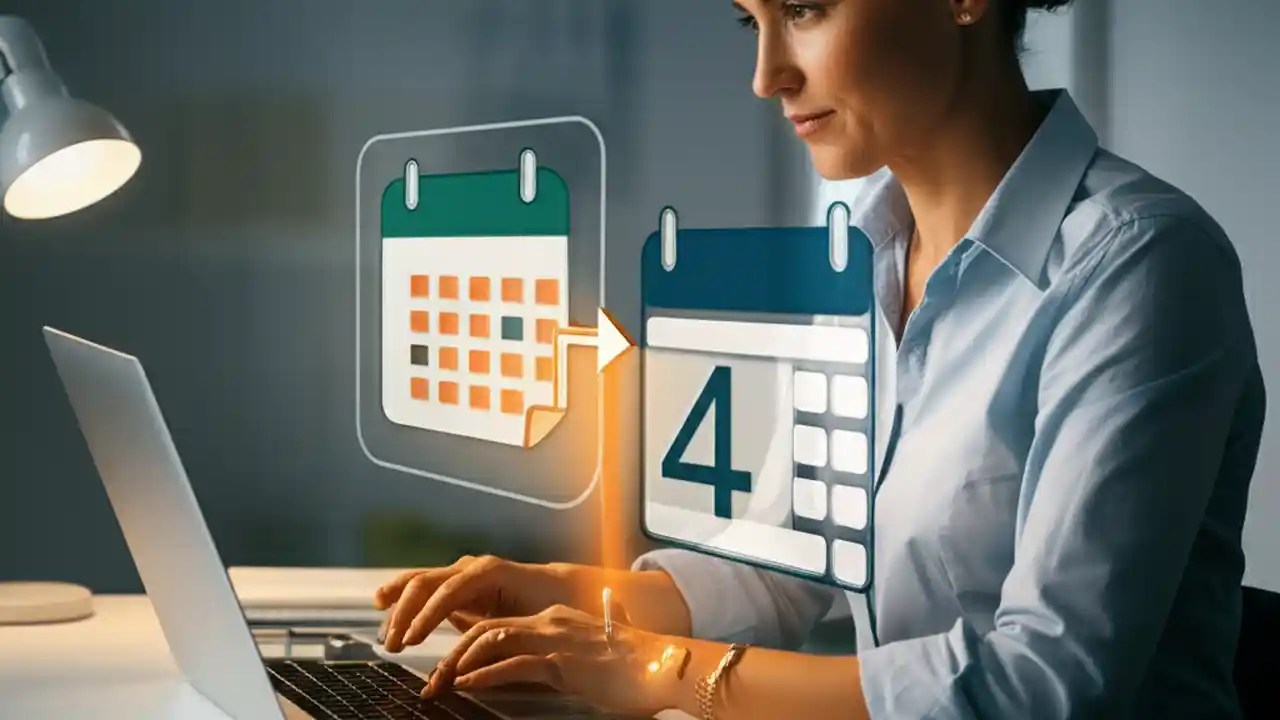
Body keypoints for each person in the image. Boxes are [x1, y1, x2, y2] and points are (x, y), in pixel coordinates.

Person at [374, 0, 1265, 717]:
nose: (767, 76)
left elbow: (1046, 682)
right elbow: (785, 567)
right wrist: (556, 595)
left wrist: (656, 669)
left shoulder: (1140, 264)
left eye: (804, 10)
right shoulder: (861, 261)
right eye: (749, 21)